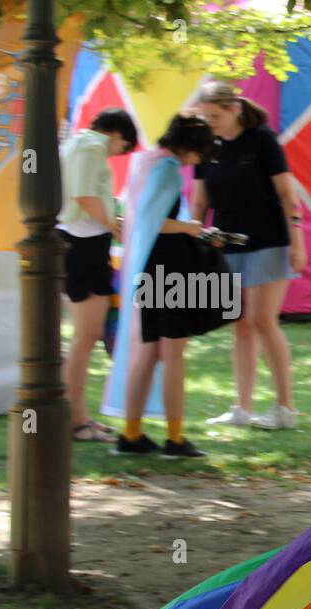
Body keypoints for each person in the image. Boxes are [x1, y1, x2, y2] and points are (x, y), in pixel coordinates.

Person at [105, 114, 225, 459]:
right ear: (189, 148)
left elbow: (141, 220)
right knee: (173, 355)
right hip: (169, 272)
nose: (198, 161)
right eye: (199, 153)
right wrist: (191, 228)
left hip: (147, 270)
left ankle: (131, 433)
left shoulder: (145, 162)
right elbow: (155, 222)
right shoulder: (168, 169)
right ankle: (174, 438)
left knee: (147, 351)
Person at [193, 81, 305, 430]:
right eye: (204, 116)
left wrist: (298, 241)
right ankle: (241, 408)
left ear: (234, 110)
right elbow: (199, 201)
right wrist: (195, 240)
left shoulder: (262, 140)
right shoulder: (205, 146)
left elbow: (288, 194)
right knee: (240, 325)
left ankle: (285, 409)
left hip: (270, 240)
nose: (208, 122)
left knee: (262, 321)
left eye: (214, 116)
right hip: (227, 244)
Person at [57, 108, 138, 442]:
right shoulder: (91, 147)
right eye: (123, 147)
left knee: (85, 336)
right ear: (118, 134)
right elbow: (85, 195)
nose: (118, 154)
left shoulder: (75, 143)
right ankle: (75, 420)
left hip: (79, 241)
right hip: (84, 244)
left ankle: (78, 416)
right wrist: (114, 227)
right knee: (86, 336)